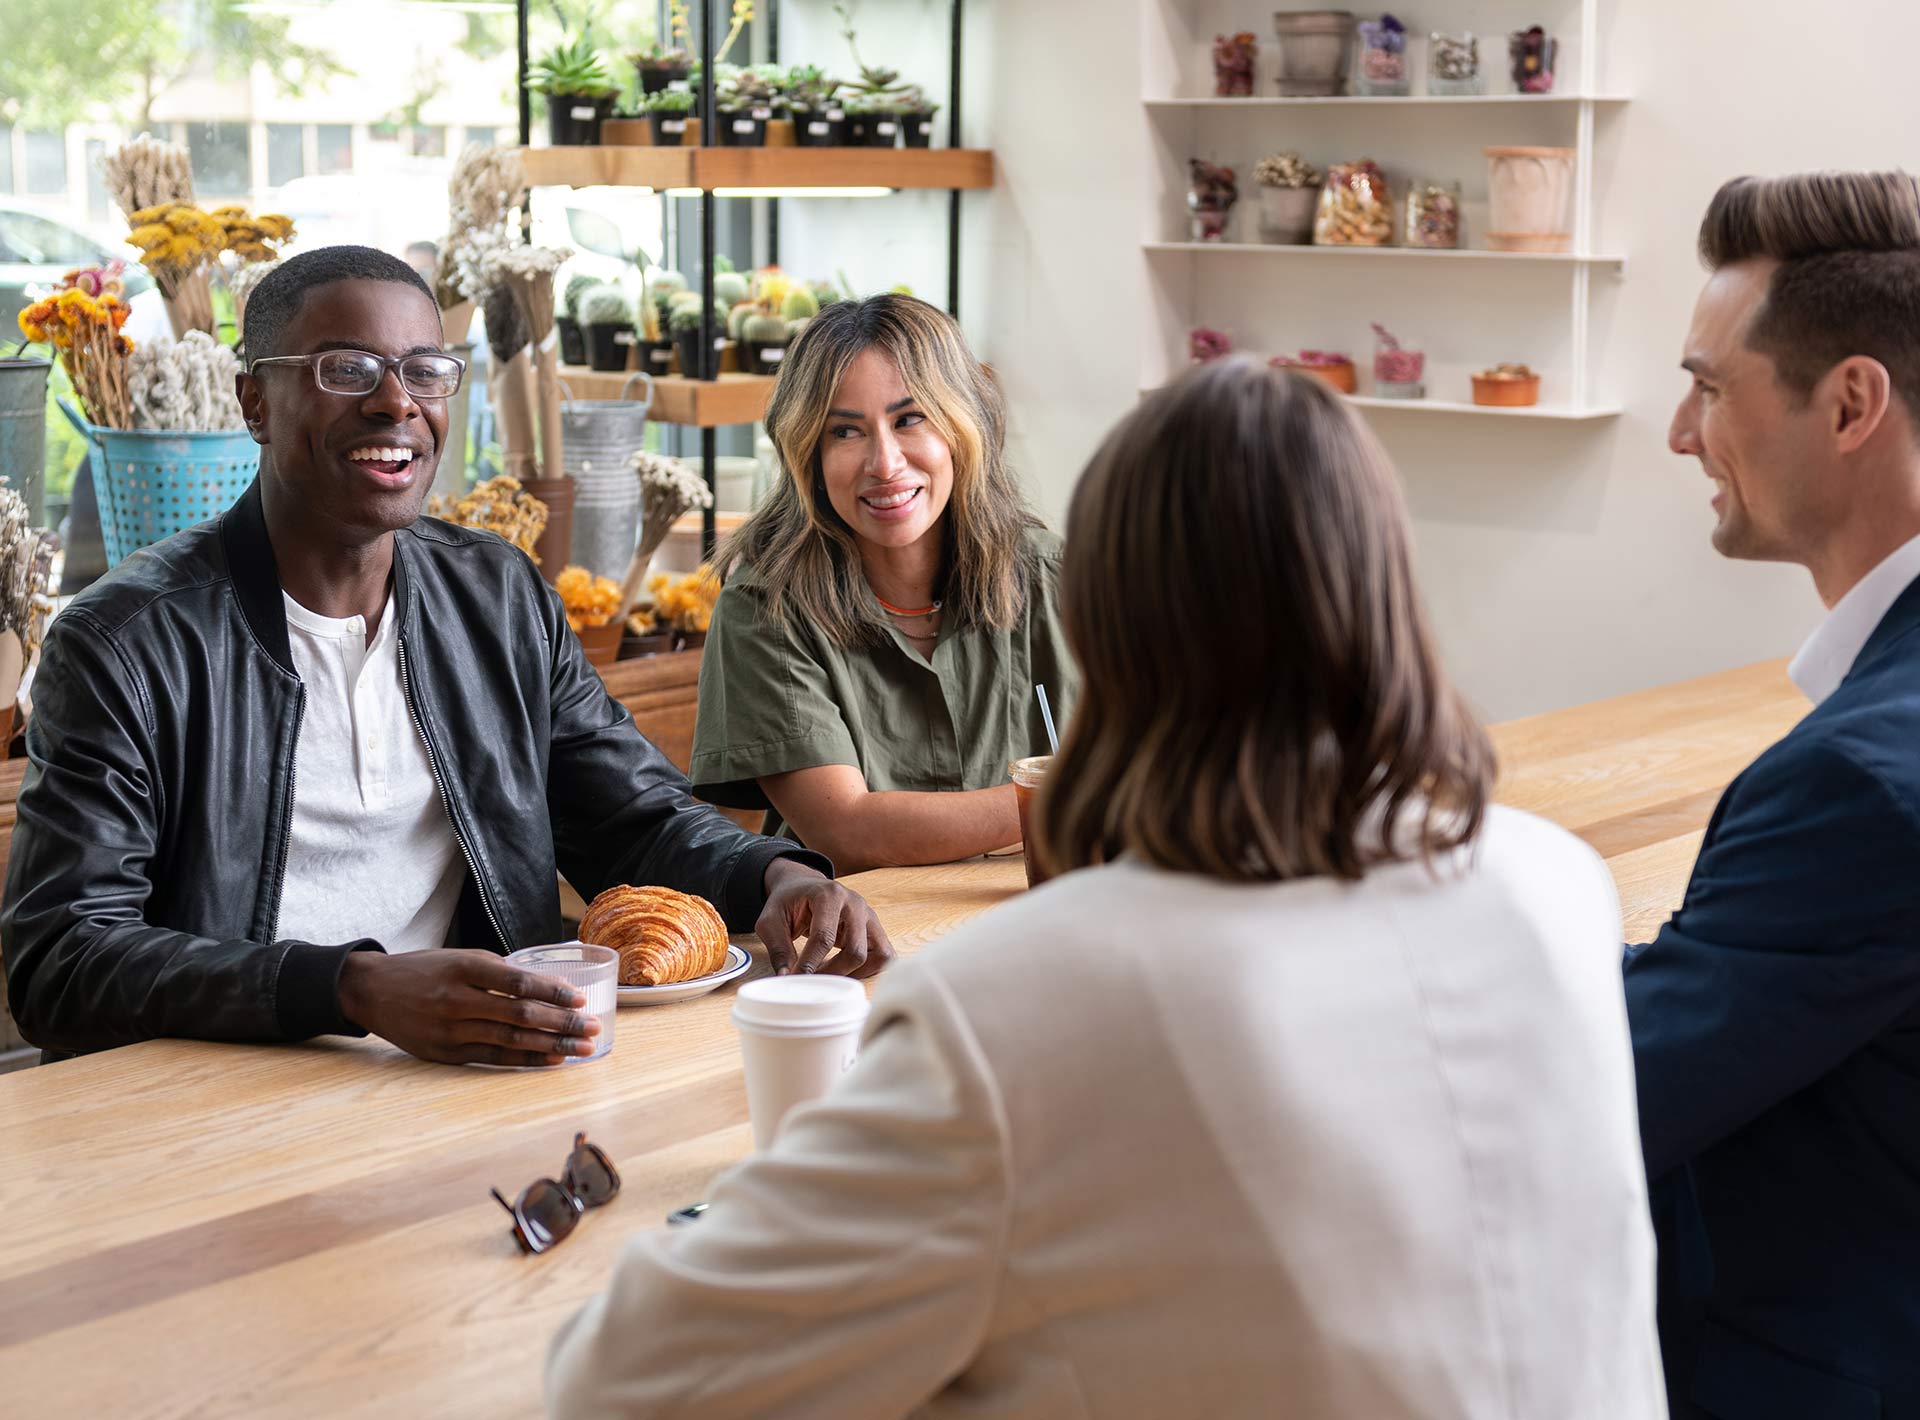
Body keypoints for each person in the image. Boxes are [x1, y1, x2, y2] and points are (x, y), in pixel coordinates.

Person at [546, 360, 1666, 1419]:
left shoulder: (1015, 1003)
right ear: (1392, 584)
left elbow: (629, 1380)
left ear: (1104, 624)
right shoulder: (1559, 888)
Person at [1, 245, 891, 1067]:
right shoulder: (126, 642)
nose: (398, 403)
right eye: (346, 369)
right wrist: (349, 988)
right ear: (255, 403)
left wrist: (778, 875)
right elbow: (62, 959)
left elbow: (633, 818)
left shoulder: (497, 598)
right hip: (212, 1096)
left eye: (425, 370)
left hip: (472, 1069)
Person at [1629, 170, 1920, 1418]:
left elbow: (1604, 1091)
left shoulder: (1854, 781)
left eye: (1706, 386)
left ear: (1851, 401)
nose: (1683, 434)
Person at [689, 294, 1076, 872]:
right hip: (862, 948)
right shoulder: (765, 610)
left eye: (909, 419)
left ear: (960, 426)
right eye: (845, 432)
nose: (886, 463)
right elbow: (848, 832)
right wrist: (1070, 796)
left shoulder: (1056, 578)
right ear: (807, 454)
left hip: (1040, 927)